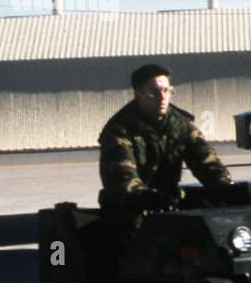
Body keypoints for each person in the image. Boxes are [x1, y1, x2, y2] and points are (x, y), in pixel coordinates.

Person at [98, 63, 232, 224]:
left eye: (166, 90)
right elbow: (121, 179)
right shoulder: (120, 130)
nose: (162, 97)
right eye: (154, 92)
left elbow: (205, 160)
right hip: (129, 207)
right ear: (139, 94)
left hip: (169, 200)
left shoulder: (181, 124)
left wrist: (223, 186)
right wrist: (146, 196)